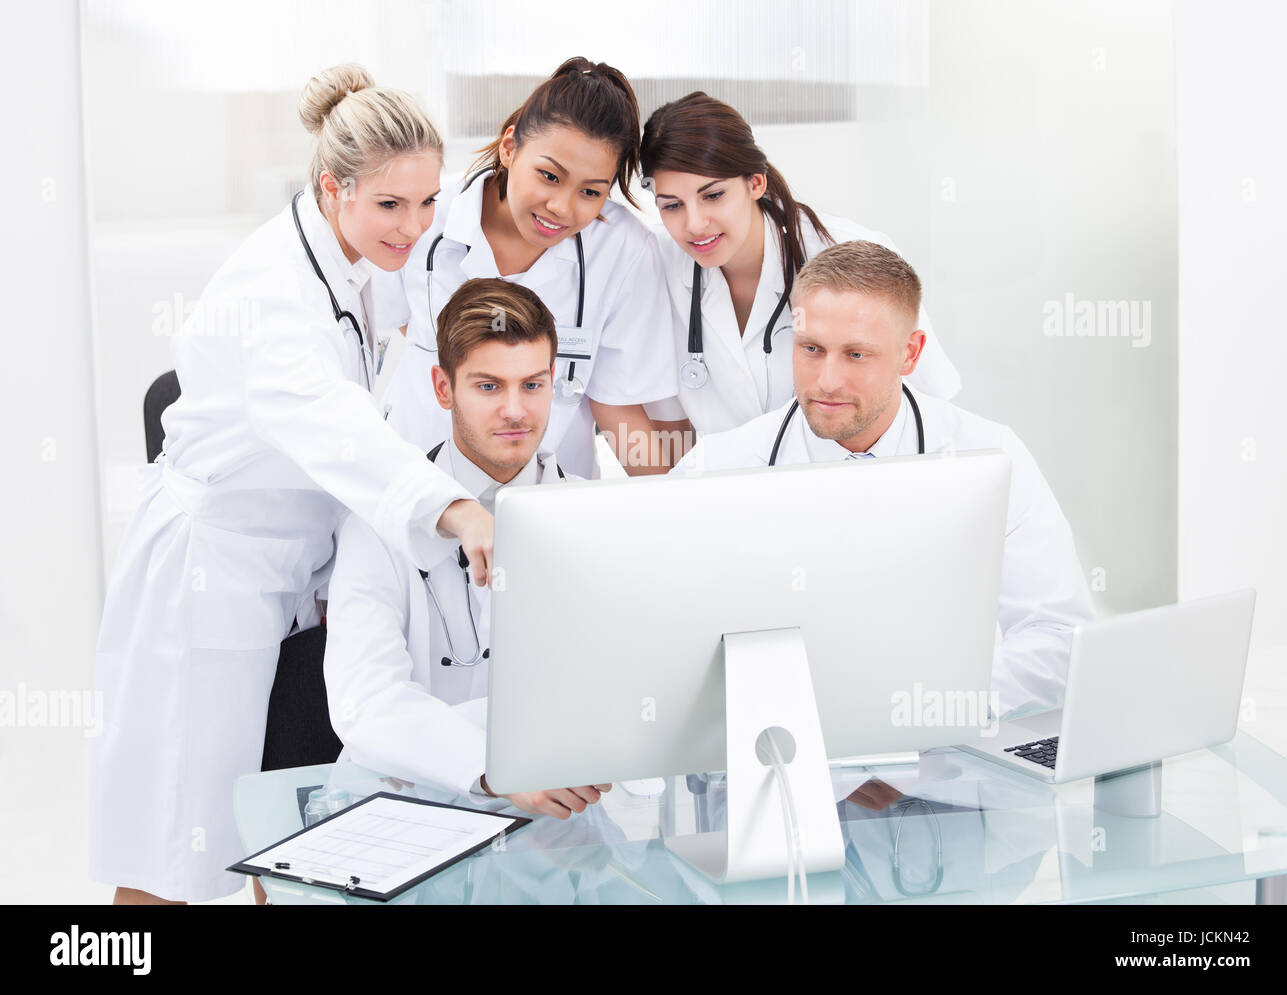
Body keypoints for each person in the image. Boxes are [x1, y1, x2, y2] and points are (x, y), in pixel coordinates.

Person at [90, 65, 496, 905]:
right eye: (391, 204)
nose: (414, 226)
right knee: (177, 847)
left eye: (427, 203)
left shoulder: (351, 260)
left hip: (281, 576)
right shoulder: (270, 290)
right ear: (330, 185)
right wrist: (450, 506)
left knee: (260, 827)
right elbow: (331, 424)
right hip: (208, 580)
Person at [673, 241, 1093, 717]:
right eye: (811, 349)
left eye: (856, 355)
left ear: (910, 353)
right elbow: (662, 640)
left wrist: (919, 705)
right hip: (775, 754)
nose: (827, 380)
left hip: (941, 760)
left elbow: (1061, 642)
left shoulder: (990, 456)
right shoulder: (717, 468)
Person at [324, 278, 610, 818]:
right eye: (488, 387)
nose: (515, 411)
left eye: (533, 385)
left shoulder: (593, 521)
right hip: (402, 803)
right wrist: (494, 768)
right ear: (442, 387)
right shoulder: (379, 520)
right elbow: (365, 700)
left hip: (558, 818)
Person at [384, 57, 678, 476]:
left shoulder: (623, 250)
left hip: (546, 498)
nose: (561, 207)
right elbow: (390, 324)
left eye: (591, 192)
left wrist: (679, 514)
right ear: (509, 147)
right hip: (420, 486)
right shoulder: (425, 212)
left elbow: (618, 402)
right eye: (549, 176)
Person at [639, 91, 961, 443]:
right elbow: (666, 426)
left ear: (755, 183)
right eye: (671, 206)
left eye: (713, 196)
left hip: (845, 481)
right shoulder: (655, 263)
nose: (695, 224)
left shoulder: (845, 251)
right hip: (724, 489)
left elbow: (932, 407)